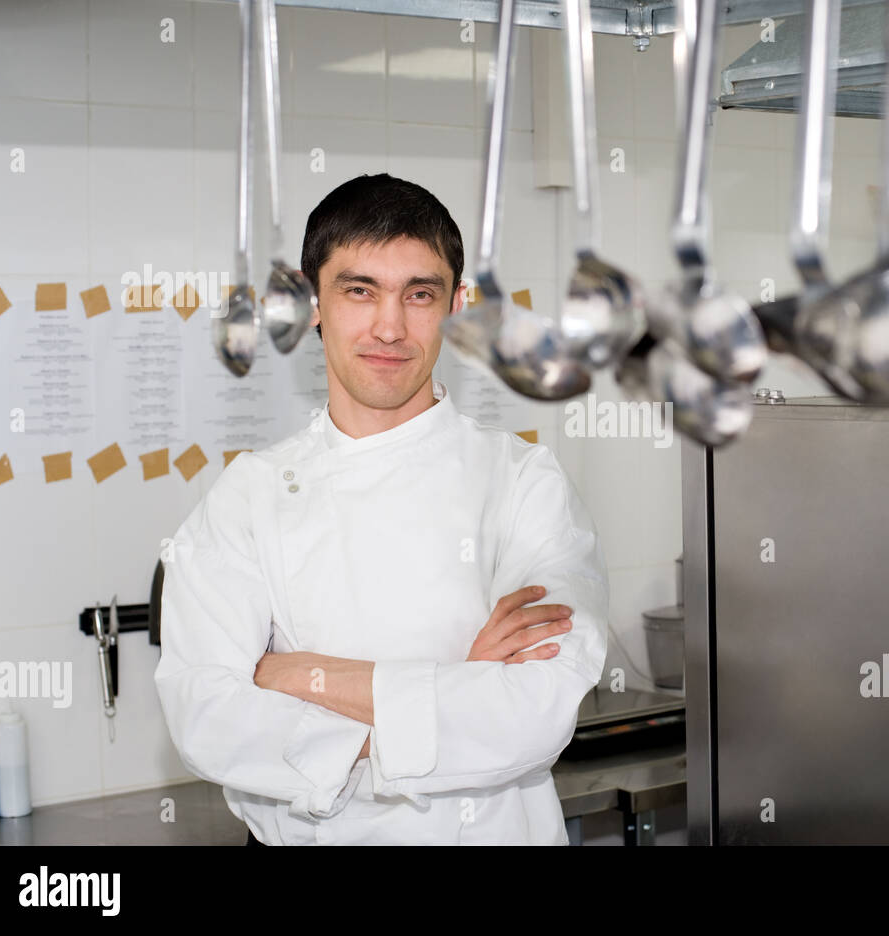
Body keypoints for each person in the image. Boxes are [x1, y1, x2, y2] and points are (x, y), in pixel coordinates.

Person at [154, 174, 608, 845]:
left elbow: (535, 716)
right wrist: (458, 691)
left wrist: (292, 678)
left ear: (455, 305)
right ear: (313, 302)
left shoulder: (523, 484)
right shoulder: (247, 498)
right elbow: (207, 720)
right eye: (359, 290)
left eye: (419, 294)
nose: (390, 328)